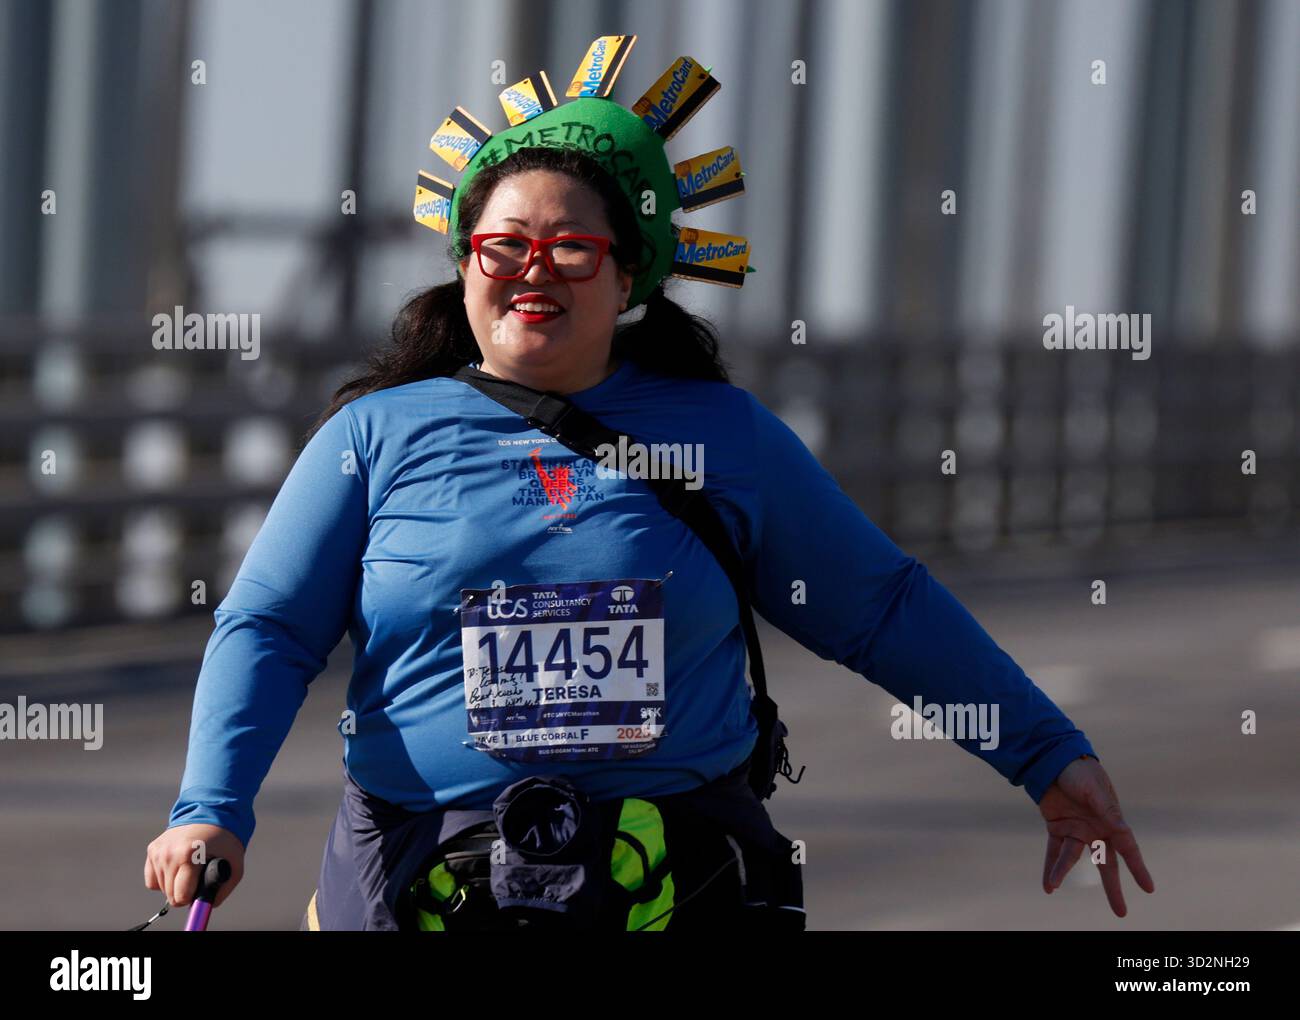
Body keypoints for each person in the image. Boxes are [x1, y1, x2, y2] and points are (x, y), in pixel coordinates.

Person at [145, 85, 1154, 932]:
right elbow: (269, 627)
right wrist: (208, 813)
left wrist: (1044, 755)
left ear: (627, 276)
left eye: (572, 250)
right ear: (464, 267)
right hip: (419, 874)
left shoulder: (726, 437)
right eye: (504, 248)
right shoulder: (372, 438)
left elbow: (879, 608)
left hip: (676, 878)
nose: (534, 272)